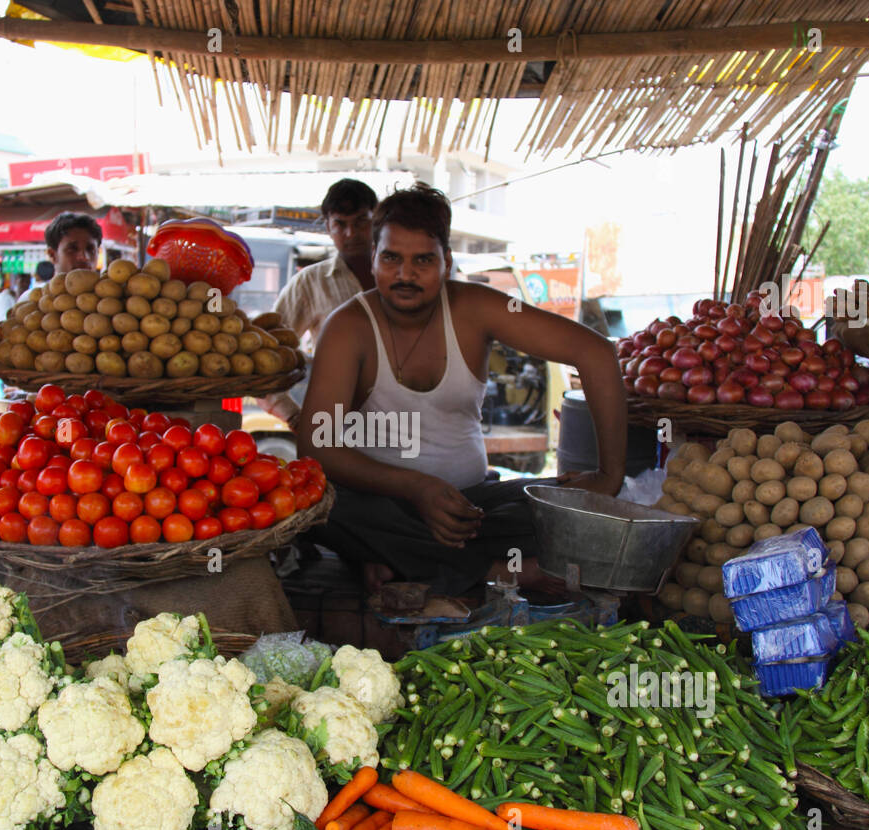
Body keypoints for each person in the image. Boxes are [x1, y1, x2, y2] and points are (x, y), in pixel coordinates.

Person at [296, 184, 628, 596]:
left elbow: (595, 352)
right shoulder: (349, 327)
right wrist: (416, 488)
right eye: (391, 258)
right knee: (319, 508)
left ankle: (397, 562)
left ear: (447, 261)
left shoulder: (476, 308)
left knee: (559, 503)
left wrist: (610, 475)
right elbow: (316, 447)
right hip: (380, 504)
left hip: (473, 511)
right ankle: (499, 571)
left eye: (423, 260)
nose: (405, 274)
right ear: (374, 258)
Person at [259, 179, 378, 429]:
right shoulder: (310, 283)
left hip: (404, 424)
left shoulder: (401, 277)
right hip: (337, 424)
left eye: (360, 222)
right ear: (327, 226)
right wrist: (292, 415)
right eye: (340, 224)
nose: (351, 233)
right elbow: (263, 357)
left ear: (376, 220)